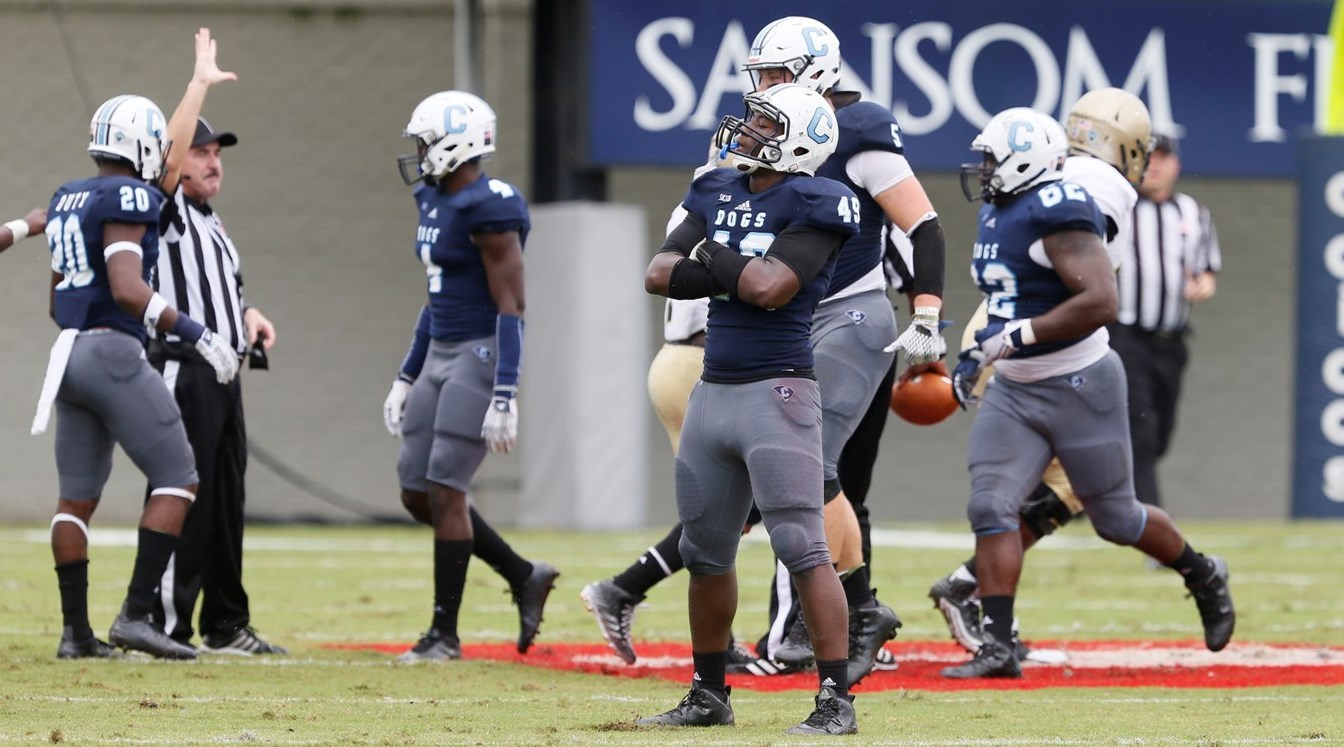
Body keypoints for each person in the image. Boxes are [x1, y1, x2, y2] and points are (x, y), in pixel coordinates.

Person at [584, 17, 945, 688]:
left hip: (845, 310)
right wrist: (728, 260)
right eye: (761, 83)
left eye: (777, 79)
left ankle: (815, 628)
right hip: (765, 339)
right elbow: (667, 269)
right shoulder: (731, 176)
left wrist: (927, 310)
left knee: (806, 477)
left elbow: (914, 225)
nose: (760, 103)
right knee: (785, 484)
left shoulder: (848, 149)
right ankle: (839, 615)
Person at [939, 106, 1234, 679]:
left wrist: (1013, 337)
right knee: (990, 506)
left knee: (1117, 520)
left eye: (993, 159)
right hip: (1018, 389)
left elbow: (1101, 302)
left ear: (1025, 162)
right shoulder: (1001, 209)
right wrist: (976, 353)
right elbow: (1006, 298)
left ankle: (1203, 573)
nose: (982, 168)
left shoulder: (1064, 209)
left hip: (1080, 383)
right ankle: (998, 647)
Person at [635, 82, 860, 735]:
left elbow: (771, 287)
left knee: (801, 546)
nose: (749, 126)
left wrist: (709, 254)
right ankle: (709, 691)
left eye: (765, 119)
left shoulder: (821, 199)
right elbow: (658, 272)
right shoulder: (716, 187)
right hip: (714, 390)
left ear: (796, 138)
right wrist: (729, 261)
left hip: (778, 392)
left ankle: (835, 698)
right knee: (706, 551)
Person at [928, 87, 1153, 655]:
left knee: (1050, 488)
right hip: (1031, 336)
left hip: (1011, 328)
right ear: (1126, 147)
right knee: (1055, 487)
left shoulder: (1046, 172)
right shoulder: (1102, 188)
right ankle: (973, 591)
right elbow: (1084, 272)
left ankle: (973, 588)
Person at [39, 84, 240, 660]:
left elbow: (56, 304)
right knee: (180, 477)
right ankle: (134, 614)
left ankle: (75, 634)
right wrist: (197, 332)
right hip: (112, 353)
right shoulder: (129, 196)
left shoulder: (67, 198)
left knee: (74, 501)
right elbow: (130, 290)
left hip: (69, 355)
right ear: (140, 144)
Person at [383, 90, 558, 662]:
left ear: (456, 144)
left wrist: (505, 394)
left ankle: (444, 634)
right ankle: (521, 573)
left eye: (424, 142)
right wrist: (407, 374)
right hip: (438, 349)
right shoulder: (432, 200)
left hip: (480, 355)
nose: (417, 153)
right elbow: (435, 296)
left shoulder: (491, 207)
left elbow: (512, 306)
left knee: (446, 489)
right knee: (416, 491)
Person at [144, 31, 285, 655]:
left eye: (217, 152)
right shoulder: (167, 206)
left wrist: (249, 315)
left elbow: (226, 286)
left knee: (227, 501)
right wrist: (198, 82)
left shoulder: (212, 220)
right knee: (186, 493)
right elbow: (168, 159)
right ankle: (161, 624)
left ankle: (226, 622)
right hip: (185, 367)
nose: (211, 160)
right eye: (202, 152)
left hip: (226, 373)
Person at [1110, 133, 1220, 509]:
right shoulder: (1119, 208)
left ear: (1177, 164)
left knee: (1160, 434)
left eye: (1163, 157)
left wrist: (1205, 283)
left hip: (1171, 341)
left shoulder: (1194, 213)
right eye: (1148, 157)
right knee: (1140, 429)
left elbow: (1206, 269)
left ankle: (1090, 491)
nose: (1155, 165)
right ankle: (1151, 526)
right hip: (1126, 337)